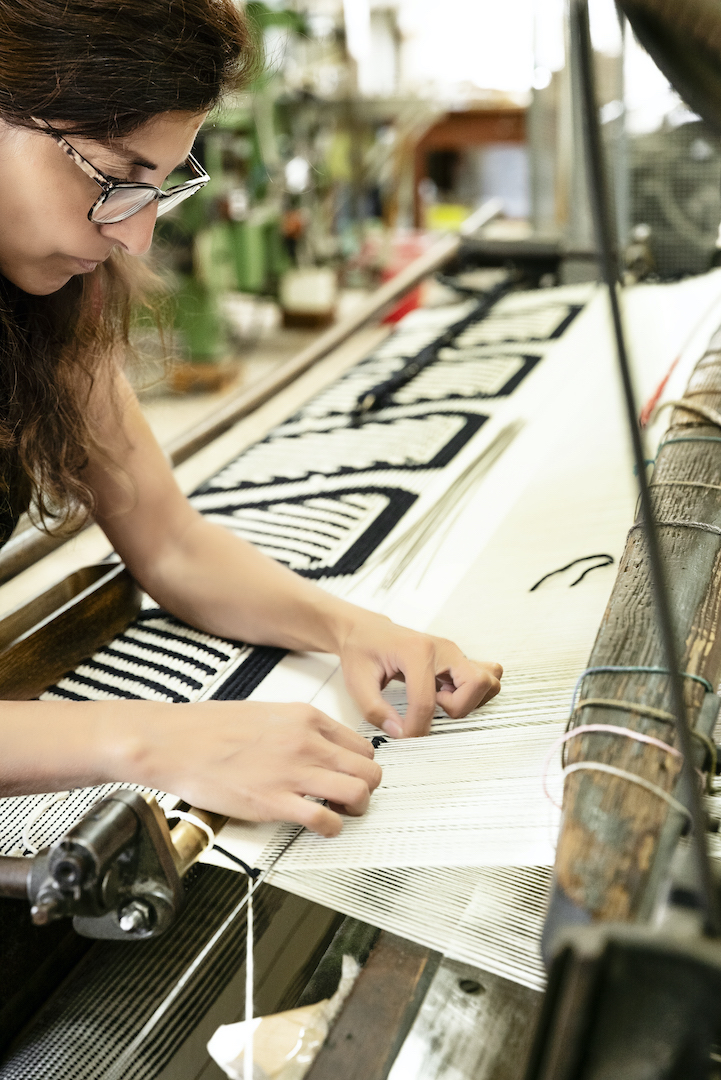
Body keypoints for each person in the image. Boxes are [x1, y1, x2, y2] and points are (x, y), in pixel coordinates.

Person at [0, 0, 502, 839]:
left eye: (159, 187)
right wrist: (153, 741)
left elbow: (169, 542)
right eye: (114, 177)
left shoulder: (53, 304)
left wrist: (349, 626)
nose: (135, 234)